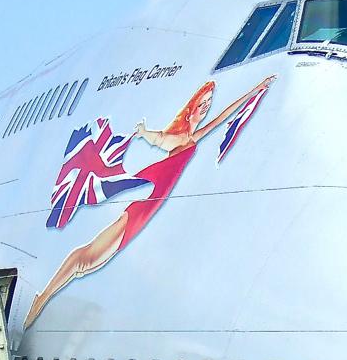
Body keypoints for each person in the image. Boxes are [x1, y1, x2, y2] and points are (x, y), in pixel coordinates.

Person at [24, 74, 276, 328]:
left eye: (208, 103)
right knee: (88, 259)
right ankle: (41, 298)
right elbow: (157, 138)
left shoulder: (192, 137)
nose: (206, 108)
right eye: (201, 104)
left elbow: (224, 115)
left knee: (93, 262)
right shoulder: (176, 139)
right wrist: (145, 133)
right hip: (145, 201)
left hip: (151, 206)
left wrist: (256, 88)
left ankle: (43, 296)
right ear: (190, 109)